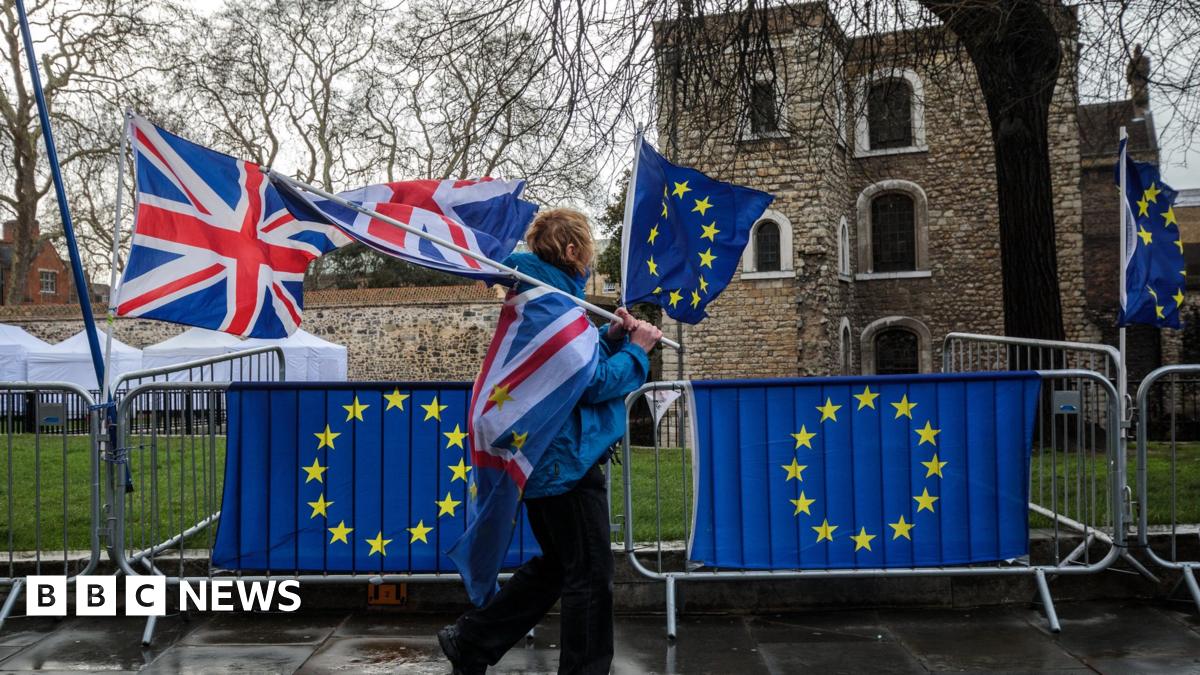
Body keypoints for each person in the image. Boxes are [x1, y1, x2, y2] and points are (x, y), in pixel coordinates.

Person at [438, 208, 662, 675]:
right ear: (571, 251)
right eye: (588, 252)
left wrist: (610, 334)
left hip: (550, 459)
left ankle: (473, 640)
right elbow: (595, 381)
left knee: (560, 567)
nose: (589, 262)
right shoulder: (550, 305)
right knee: (590, 577)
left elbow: (573, 362)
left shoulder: (546, 300)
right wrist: (638, 353)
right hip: (565, 464)